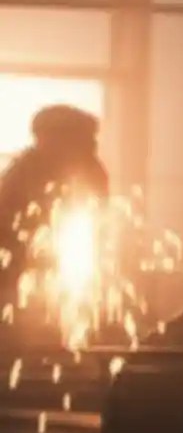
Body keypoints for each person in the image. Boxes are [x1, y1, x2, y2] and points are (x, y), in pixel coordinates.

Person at [0, 105, 109, 348]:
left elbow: (101, 229)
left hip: (63, 283)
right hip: (16, 284)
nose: (91, 146)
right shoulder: (22, 174)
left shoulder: (91, 171)